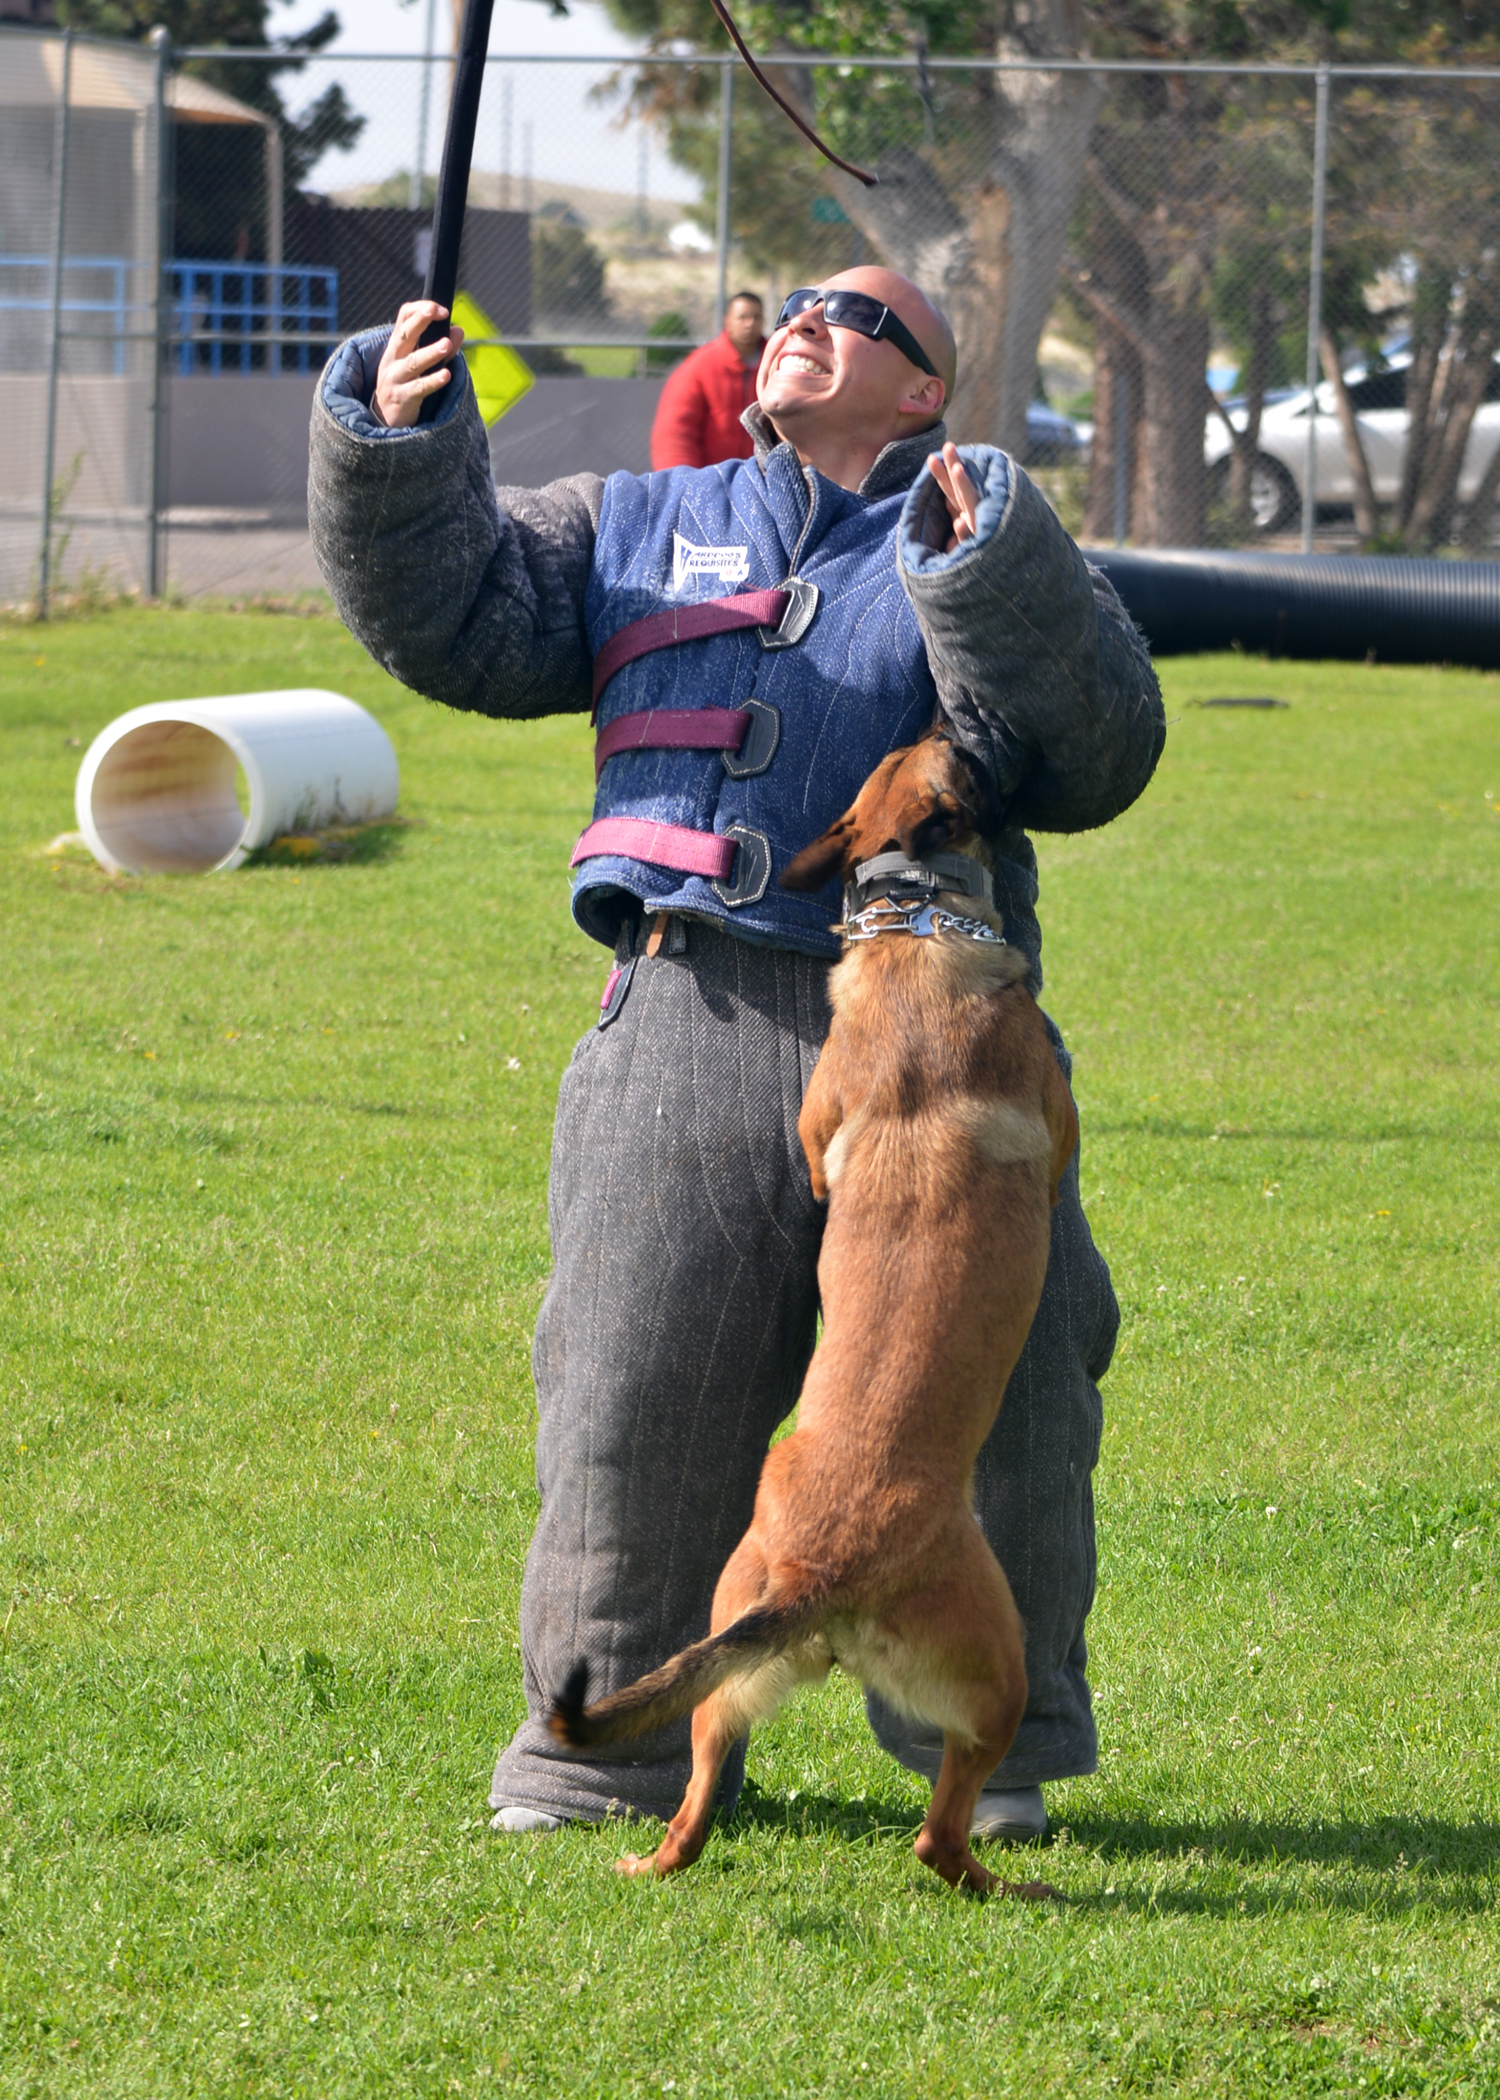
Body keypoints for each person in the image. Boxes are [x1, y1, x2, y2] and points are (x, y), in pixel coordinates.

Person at [308, 266, 1164, 1846]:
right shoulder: (628, 518)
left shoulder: (966, 539)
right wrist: (396, 438)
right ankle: (596, 1754)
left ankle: (1001, 1747)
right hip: (684, 1001)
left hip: (935, 1032)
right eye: (794, 300)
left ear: (925, 393)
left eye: (860, 314)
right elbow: (456, 618)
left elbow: (1095, 748)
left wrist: (995, 570)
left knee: (1018, 1390)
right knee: (636, 1385)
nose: (807, 316)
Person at [649, 289, 766, 469]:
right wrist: (685, 484)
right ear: (727, 321)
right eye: (742, 317)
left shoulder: (779, 364)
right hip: (712, 484)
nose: (749, 324)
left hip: (767, 485)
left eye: (756, 317)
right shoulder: (699, 366)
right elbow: (674, 433)